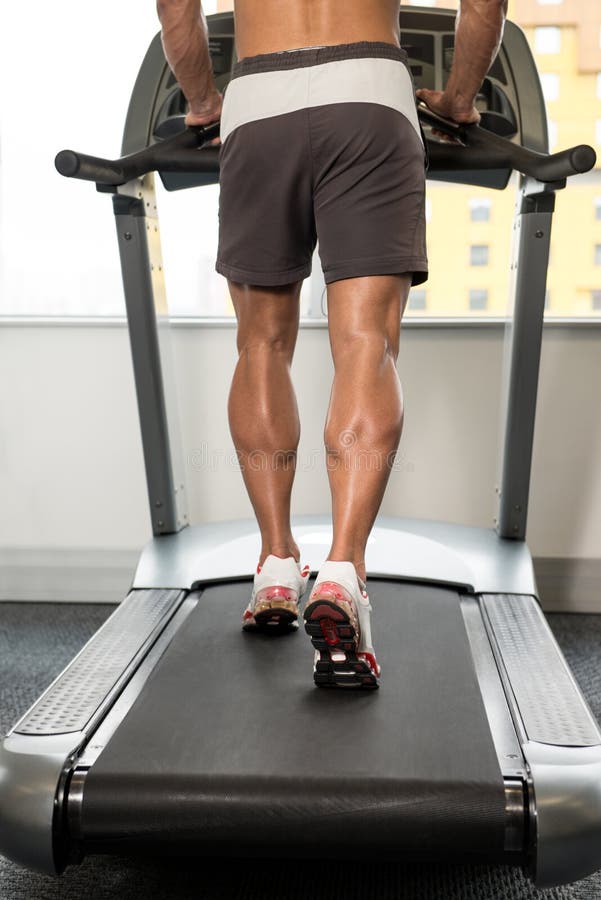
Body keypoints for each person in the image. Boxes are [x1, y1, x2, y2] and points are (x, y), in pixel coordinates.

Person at [156, 0, 507, 688]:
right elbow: (485, 4)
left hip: (256, 99)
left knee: (259, 344)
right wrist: (460, 99)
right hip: (369, 91)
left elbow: (175, 7)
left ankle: (277, 567)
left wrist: (203, 102)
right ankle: (342, 572)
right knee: (365, 341)